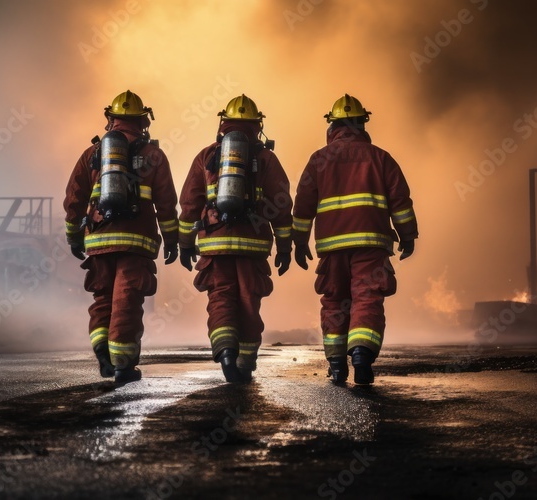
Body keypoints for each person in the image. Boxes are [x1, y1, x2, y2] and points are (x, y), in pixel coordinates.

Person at [291, 94, 418, 385]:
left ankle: (337, 364)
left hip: (331, 248)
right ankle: (361, 355)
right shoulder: (381, 158)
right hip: (371, 245)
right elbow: (400, 202)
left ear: (332, 125)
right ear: (362, 124)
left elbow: (303, 206)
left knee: (334, 301)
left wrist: (299, 242)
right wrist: (407, 236)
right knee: (367, 297)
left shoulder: (318, 160)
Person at [63, 90, 179, 384]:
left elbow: (74, 198)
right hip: (135, 242)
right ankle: (123, 366)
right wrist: (174, 239)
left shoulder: (92, 154)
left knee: (103, 299)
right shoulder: (154, 156)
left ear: (110, 119)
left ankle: (104, 355)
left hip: (98, 240)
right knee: (126, 300)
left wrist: (74, 236)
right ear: (143, 120)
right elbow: (166, 204)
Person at [178, 94, 293, 383]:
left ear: (222, 123)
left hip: (214, 246)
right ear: (258, 125)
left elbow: (190, 202)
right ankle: (244, 363)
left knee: (221, 299)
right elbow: (280, 204)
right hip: (252, 247)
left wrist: (183, 243)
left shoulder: (207, 156)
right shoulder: (266, 158)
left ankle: (226, 354)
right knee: (248, 302)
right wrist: (285, 246)